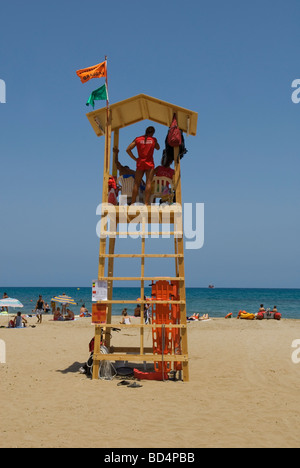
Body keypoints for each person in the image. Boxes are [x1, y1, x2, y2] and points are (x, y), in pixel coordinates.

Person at [126, 126, 160, 205]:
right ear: (152, 133)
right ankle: (146, 203)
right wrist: (154, 141)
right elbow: (158, 148)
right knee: (148, 183)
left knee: (136, 183)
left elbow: (128, 149)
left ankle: (132, 203)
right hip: (150, 163)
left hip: (140, 163)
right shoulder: (153, 140)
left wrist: (135, 159)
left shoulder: (138, 139)